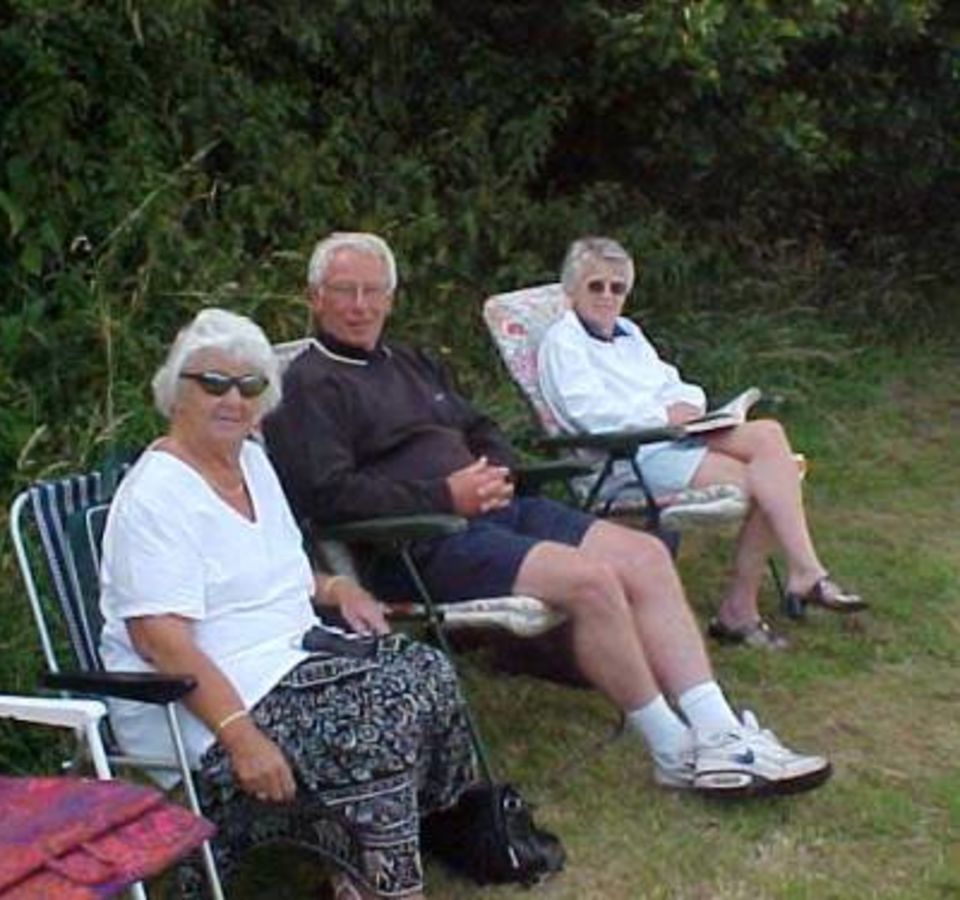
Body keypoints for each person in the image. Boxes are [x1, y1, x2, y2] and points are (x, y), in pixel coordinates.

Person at [263, 231, 833, 798]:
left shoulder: (410, 362)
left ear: (390, 297)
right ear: (315, 297)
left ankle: (719, 729)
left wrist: (495, 472)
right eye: (344, 290)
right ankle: (673, 751)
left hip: (493, 508)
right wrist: (443, 495)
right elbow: (326, 496)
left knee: (647, 555)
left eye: (373, 290)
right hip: (415, 543)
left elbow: (480, 426)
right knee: (591, 581)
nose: (360, 305)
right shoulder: (306, 386)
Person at [98, 308, 477, 900]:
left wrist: (337, 588)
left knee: (426, 671)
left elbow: (282, 570)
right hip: (199, 707)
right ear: (177, 393)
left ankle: (361, 855)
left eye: (249, 385)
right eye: (213, 383)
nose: (233, 399)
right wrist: (241, 737)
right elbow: (158, 640)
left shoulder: (251, 460)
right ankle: (379, 881)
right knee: (376, 715)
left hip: (286, 660)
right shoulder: (155, 498)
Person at [536, 236, 865, 649]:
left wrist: (688, 408)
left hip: (671, 438)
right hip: (625, 458)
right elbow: (587, 414)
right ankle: (746, 609)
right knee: (773, 482)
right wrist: (662, 417)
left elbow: (675, 383)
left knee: (769, 436)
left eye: (617, 288)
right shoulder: (563, 343)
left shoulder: (629, 334)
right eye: (595, 286)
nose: (606, 296)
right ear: (572, 290)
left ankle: (802, 574)